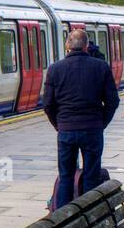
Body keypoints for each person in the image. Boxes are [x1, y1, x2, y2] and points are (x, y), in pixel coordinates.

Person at [41, 28, 119, 209]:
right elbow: (113, 101)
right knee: (91, 177)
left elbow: (48, 104)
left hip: (66, 130)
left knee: (66, 176)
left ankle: (61, 219)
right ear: (86, 47)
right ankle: (89, 215)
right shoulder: (101, 67)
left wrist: (59, 125)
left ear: (68, 46)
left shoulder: (55, 69)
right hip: (92, 129)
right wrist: (101, 123)